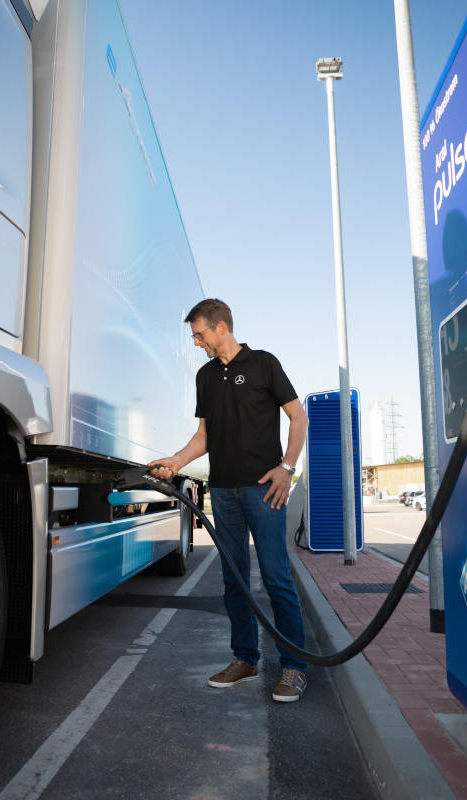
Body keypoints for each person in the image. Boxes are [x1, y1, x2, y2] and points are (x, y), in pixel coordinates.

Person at [148, 298, 311, 703]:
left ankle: (294, 668)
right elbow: (204, 437)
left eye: (200, 334)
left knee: (276, 578)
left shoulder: (263, 364)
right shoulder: (205, 376)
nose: (198, 342)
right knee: (233, 580)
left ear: (221, 327)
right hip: (222, 493)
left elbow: (298, 416)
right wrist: (176, 460)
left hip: (264, 490)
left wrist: (287, 467)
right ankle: (246, 659)